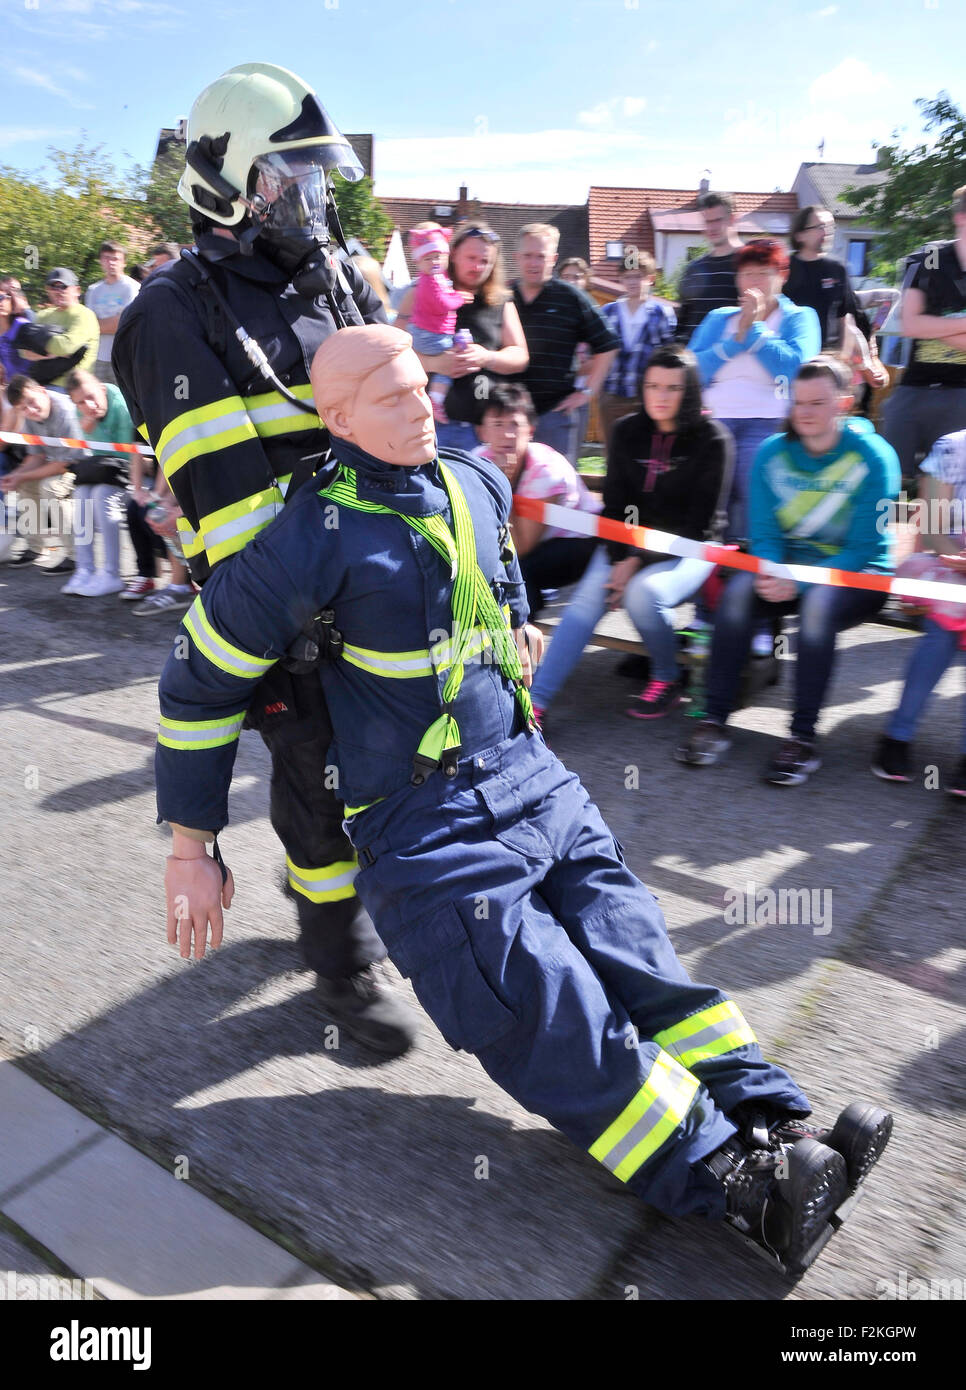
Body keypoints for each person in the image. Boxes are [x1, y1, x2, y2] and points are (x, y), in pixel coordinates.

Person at [154, 323, 892, 1278]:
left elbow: (500, 588)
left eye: (422, 386)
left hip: (531, 776)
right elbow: (198, 682)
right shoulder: (302, 540)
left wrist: (517, 631)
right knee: (549, 1010)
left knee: (640, 954)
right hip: (424, 827)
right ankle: (736, 1182)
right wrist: (190, 846)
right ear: (333, 418)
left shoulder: (474, 480)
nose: (420, 407)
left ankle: (776, 1119)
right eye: (389, 397)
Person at [112, 61, 416, 1056]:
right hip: (281, 610)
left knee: (387, 770)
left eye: (313, 178)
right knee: (320, 777)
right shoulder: (171, 314)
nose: (314, 199)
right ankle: (339, 961)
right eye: (291, 180)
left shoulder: (333, 272)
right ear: (228, 186)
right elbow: (238, 515)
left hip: (373, 576)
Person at [676, 355, 900, 785]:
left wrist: (795, 578)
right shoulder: (771, 453)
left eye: (818, 402)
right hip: (791, 566)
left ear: (845, 403)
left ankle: (802, 740)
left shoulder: (875, 457)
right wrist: (772, 569)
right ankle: (715, 720)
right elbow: (764, 533)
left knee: (818, 604)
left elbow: (863, 548)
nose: (805, 412)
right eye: (798, 402)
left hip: (859, 573)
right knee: (739, 592)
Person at [529, 344, 732, 720]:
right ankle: (534, 706)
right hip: (627, 544)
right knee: (584, 605)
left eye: (673, 388)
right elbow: (617, 507)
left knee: (644, 594)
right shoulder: (627, 431)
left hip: (693, 548)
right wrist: (622, 557)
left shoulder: (713, 438)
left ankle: (667, 677)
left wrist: (635, 562)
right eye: (653, 386)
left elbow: (698, 525)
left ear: (690, 391)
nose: (661, 396)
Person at [688, 238, 822, 544]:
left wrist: (755, 332)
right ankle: (706, 563)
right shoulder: (719, 318)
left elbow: (797, 370)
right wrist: (734, 342)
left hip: (769, 420)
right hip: (713, 418)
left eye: (763, 273)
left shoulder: (799, 317)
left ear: (782, 276)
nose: (753, 281)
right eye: (746, 274)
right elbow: (691, 369)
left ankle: (752, 562)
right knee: (708, 494)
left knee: (753, 491)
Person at [873, 428, 966, 795]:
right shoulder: (953, 449)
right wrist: (957, 559)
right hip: (948, 566)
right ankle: (897, 736)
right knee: (943, 632)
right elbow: (931, 530)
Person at [396, 220, 529, 453]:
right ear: (453, 254)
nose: (478, 267)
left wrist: (487, 357)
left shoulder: (500, 301)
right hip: (428, 426)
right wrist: (434, 363)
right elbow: (393, 349)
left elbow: (520, 356)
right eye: (472, 258)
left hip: (481, 430)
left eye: (485, 261)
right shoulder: (421, 291)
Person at [473, 382, 601, 617]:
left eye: (515, 424)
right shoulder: (477, 460)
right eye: (498, 424)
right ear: (482, 431)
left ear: (530, 430)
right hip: (528, 539)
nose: (507, 434)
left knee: (514, 571)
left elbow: (520, 548)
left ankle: (522, 641)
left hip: (579, 540)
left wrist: (504, 486)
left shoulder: (545, 469)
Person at [512, 223, 618, 467]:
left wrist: (587, 392)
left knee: (555, 493)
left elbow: (608, 344)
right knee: (507, 492)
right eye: (528, 255)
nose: (534, 263)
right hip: (510, 416)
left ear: (553, 259)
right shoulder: (504, 297)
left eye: (541, 256)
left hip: (555, 414)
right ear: (517, 257)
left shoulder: (571, 297)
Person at [880, 187, 966, 484]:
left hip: (961, 397)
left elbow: (920, 323)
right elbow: (911, 325)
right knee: (893, 486)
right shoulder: (931, 256)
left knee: (942, 495)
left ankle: (930, 532)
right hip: (914, 390)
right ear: (960, 217)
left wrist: (934, 325)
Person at [62, 368, 135, 596]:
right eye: (81, 403)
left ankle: (112, 573)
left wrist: (95, 431)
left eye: (91, 397)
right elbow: (99, 458)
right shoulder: (80, 412)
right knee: (82, 494)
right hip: (107, 470)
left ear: (101, 389)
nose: (88, 406)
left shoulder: (121, 407)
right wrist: (91, 429)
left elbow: (123, 456)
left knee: (102, 495)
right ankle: (85, 569)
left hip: (136, 473)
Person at [0, 374, 80, 571]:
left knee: (50, 487)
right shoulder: (30, 417)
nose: (31, 410)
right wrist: (16, 476)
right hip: (59, 463)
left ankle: (76, 556)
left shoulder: (64, 412)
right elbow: (36, 457)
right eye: (23, 409)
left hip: (82, 466)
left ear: (42, 391)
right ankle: (36, 547)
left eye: (32, 403)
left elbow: (66, 463)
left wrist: (21, 475)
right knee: (25, 484)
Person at [598, 254, 677, 448]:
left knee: (646, 451)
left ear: (650, 279)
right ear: (621, 279)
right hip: (612, 392)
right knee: (614, 451)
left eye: (639, 276)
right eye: (628, 276)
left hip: (647, 396)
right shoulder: (608, 312)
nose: (633, 282)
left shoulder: (662, 313)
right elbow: (598, 350)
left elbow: (668, 354)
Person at [404, 223, 473, 417]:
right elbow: (443, 303)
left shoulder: (436, 277)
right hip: (431, 335)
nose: (434, 262)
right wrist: (460, 297)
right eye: (428, 258)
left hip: (425, 331)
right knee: (451, 364)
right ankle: (436, 400)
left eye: (438, 257)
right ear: (419, 262)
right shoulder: (429, 280)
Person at [674, 192, 742, 344]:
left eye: (717, 220)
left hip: (733, 358)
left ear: (732, 219)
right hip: (694, 360)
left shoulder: (750, 264)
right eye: (707, 221)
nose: (711, 227)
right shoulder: (693, 268)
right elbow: (683, 320)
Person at [28, 269, 99, 386]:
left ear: (77, 290)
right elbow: (23, 350)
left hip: (73, 389)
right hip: (41, 383)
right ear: (47, 290)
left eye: (63, 286)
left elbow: (64, 347)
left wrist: (40, 344)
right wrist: (55, 353)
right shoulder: (43, 314)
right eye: (53, 286)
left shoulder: (84, 315)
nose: (58, 291)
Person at [84, 241, 140, 386]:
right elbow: (88, 326)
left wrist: (99, 324)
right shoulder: (93, 290)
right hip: (98, 358)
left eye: (115, 259)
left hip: (125, 358)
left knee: (126, 402)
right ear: (101, 261)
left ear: (124, 263)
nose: (111, 263)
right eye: (107, 258)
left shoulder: (132, 288)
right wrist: (110, 322)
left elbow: (125, 323)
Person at [0, 284, 29, 384]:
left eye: (2, 298)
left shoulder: (21, 325)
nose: (0, 302)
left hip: (30, 386)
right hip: (11, 389)